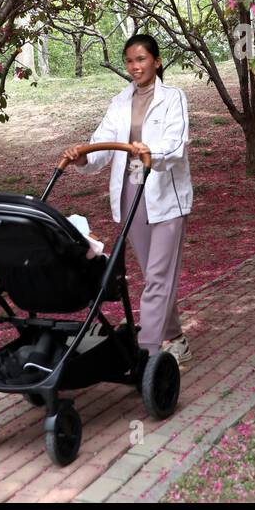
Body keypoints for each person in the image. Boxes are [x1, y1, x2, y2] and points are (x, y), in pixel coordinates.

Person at [60, 34, 194, 367]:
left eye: (142, 59)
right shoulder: (120, 101)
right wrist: (82, 158)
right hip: (131, 191)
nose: (135, 67)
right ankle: (176, 338)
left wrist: (152, 152)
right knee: (153, 274)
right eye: (130, 61)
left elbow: (176, 147)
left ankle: (146, 351)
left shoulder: (174, 97)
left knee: (160, 275)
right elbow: (102, 145)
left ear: (157, 61)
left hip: (165, 194)